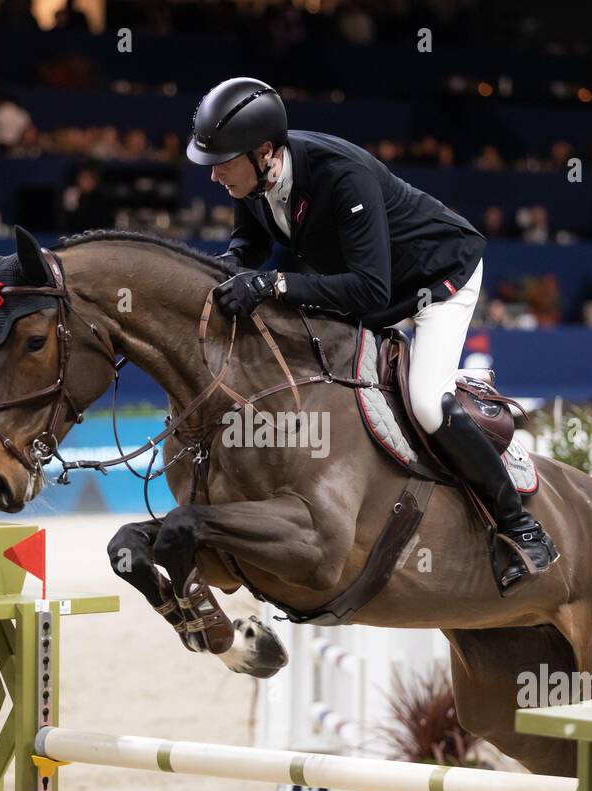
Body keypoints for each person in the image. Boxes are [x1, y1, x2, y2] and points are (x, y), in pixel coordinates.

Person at [185, 77, 557, 590]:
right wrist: (228, 269)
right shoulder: (252, 177)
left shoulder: (341, 175)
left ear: (265, 151)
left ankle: (520, 527)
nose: (213, 175)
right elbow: (248, 241)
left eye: (221, 163)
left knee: (427, 402)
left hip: (438, 280)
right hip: (370, 283)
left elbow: (368, 293)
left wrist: (270, 282)